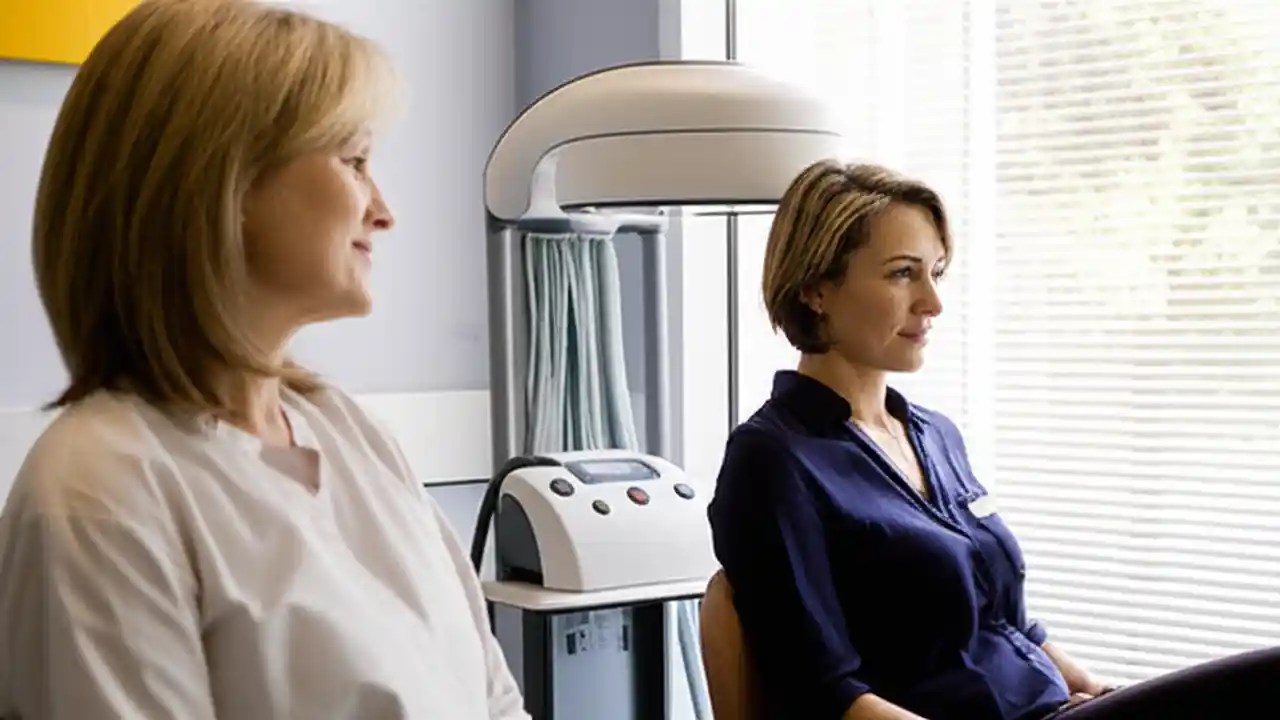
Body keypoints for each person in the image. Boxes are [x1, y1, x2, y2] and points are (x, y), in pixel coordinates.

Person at [0, 1, 528, 718]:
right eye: (354, 161)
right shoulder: (99, 490)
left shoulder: (351, 435)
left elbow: (491, 699)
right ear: (226, 180)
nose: (384, 209)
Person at [706, 160, 1110, 720]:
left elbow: (1007, 623)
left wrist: (1099, 688)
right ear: (816, 289)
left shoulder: (936, 435)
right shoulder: (773, 460)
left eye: (936, 273)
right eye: (902, 274)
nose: (932, 302)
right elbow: (824, 694)